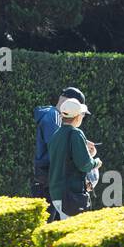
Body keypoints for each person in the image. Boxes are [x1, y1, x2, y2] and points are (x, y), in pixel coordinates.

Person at [31, 86, 88, 214]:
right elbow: (58, 149)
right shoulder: (54, 116)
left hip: (45, 180)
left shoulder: (52, 115)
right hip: (48, 182)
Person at [47, 96, 101, 220]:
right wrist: (96, 162)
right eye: (82, 115)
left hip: (56, 194)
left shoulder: (55, 136)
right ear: (77, 117)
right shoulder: (76, 133)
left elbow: (66, 160)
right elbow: (85, 164)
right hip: (70, 195)